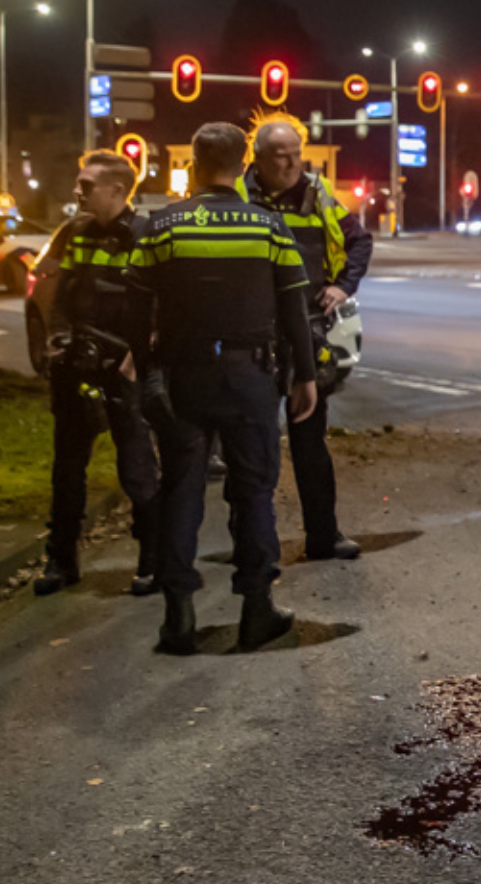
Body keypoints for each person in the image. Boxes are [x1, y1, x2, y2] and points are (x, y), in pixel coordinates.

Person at [125, 122, 319, 655]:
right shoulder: (269, 228)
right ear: (243, 167)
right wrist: (305, 376)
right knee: (253, 491)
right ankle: (257, 609)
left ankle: (178, 617)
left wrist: (144, 370)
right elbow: (294, 312)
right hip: (250, 378)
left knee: (182, 488)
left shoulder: (162, 227)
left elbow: (134, 307)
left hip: (182, 377)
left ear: (193, 162)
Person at [238, 120, 372, 562]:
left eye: (297, 152)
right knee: (249, 445)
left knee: (310, 442)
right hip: (252, 334)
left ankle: (324, 535)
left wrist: (343, 287)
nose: (293, 161)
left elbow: (359, 241)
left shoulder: (317, 195)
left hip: (305, 333)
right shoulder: (237, 198)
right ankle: (250, 544)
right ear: (257, 156)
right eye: (281, 153)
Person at [36, 150, 161, 597]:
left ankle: (152, 560)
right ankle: (61, 561)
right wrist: (57, 340)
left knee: (137, 468)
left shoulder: (147, 235)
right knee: (67, 469)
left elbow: (163, 306)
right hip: (77, 365)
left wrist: (138, 358)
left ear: (116, 189)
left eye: (86, 185)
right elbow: (56, 293)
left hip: (123, 367)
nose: (77, 190)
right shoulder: (73, 233)